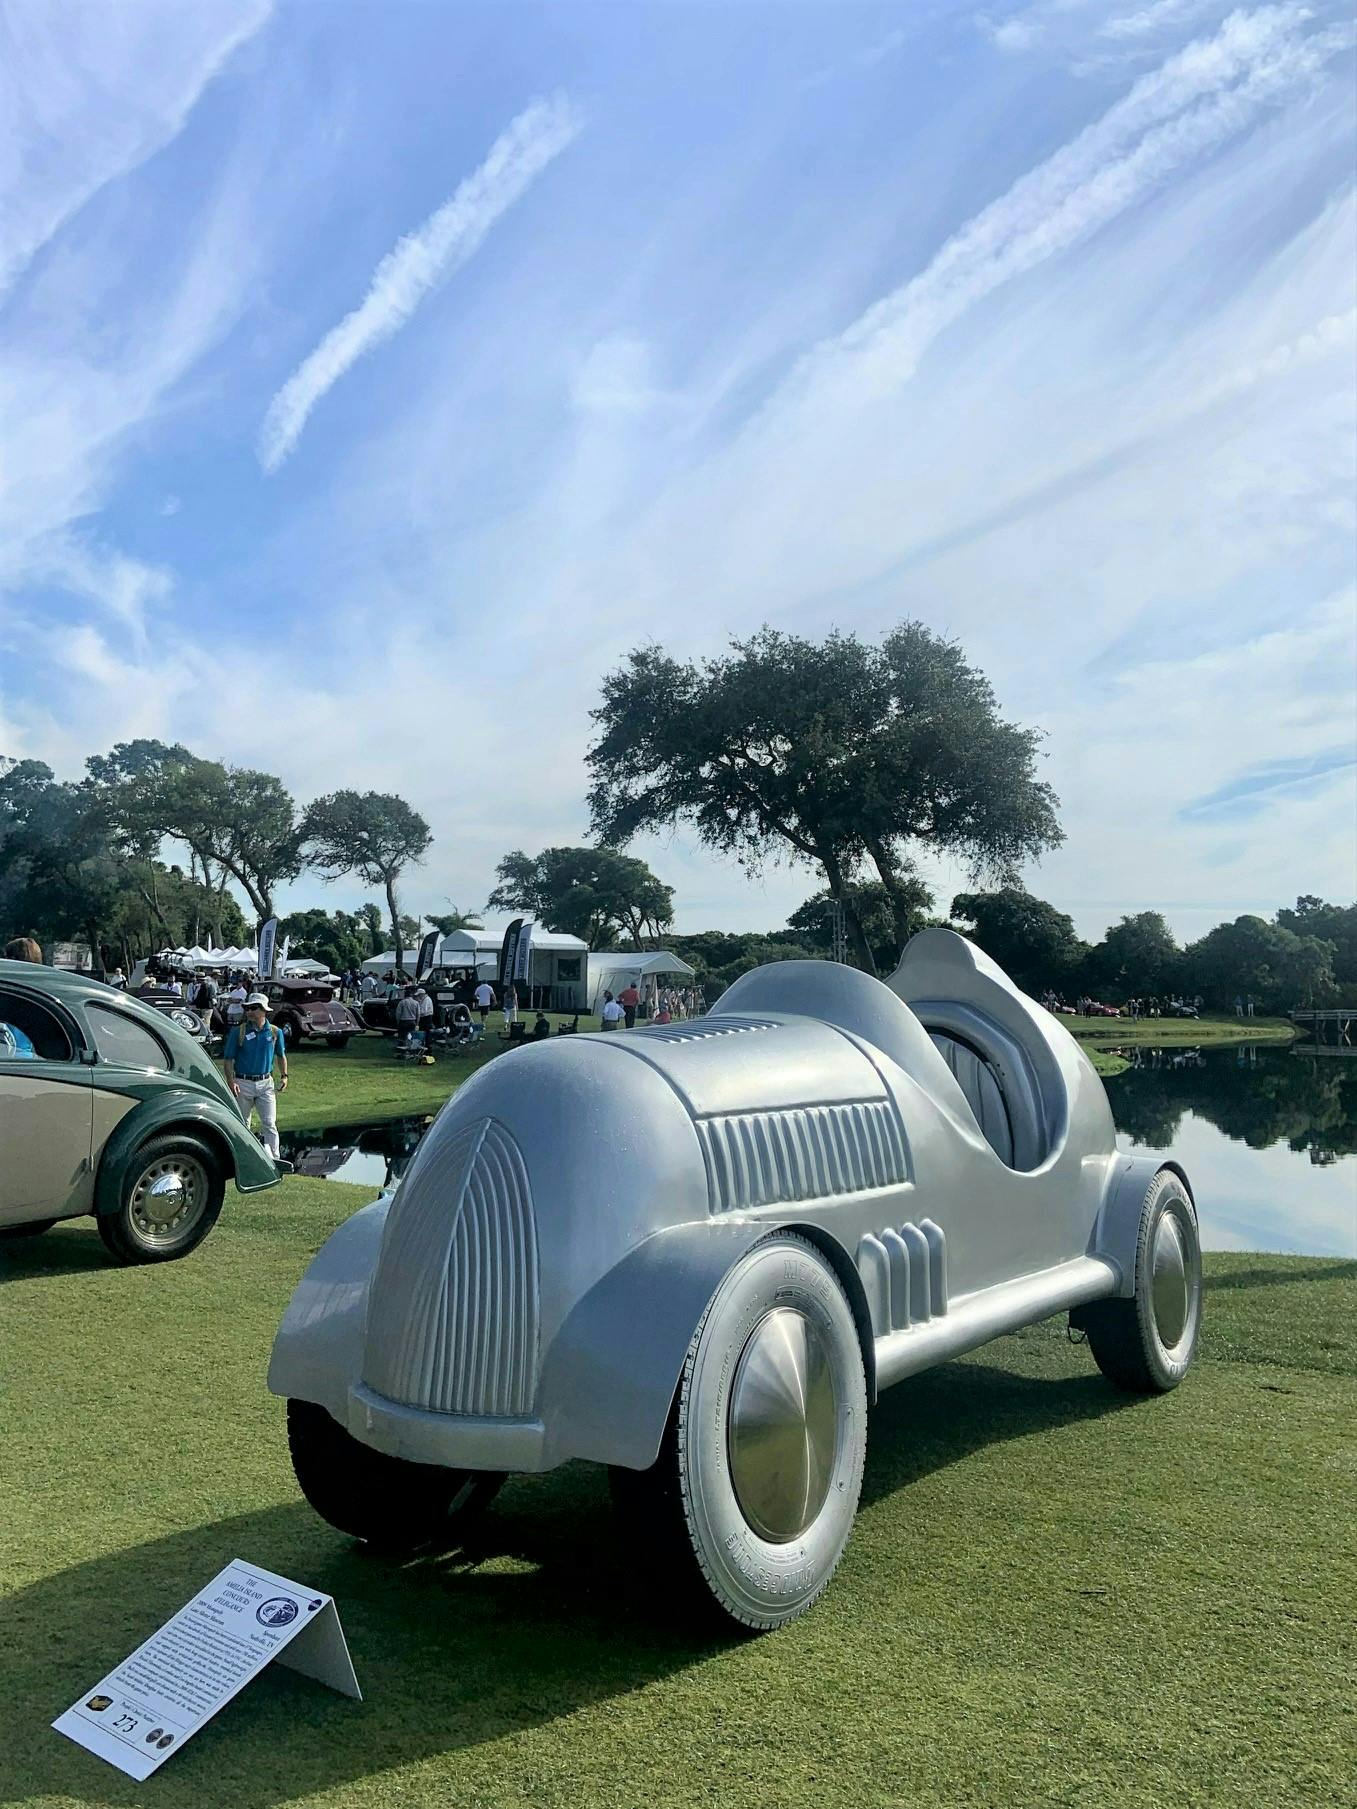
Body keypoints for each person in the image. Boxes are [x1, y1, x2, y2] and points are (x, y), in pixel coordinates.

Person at [221, 993, 288, 1160]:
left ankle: (275, 1160)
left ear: (264, 1010)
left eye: (253, 1008)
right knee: (243, 1124)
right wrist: (231, 1081)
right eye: (247, 1008)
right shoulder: (239, 1032)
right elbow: (228, 1059)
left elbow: (281, 1055)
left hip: (266, 1083)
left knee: (270, 1123)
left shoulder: (274, 1032)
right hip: (242, 1082)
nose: (249, 1011)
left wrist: (284, 1076)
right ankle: (243, 1157)